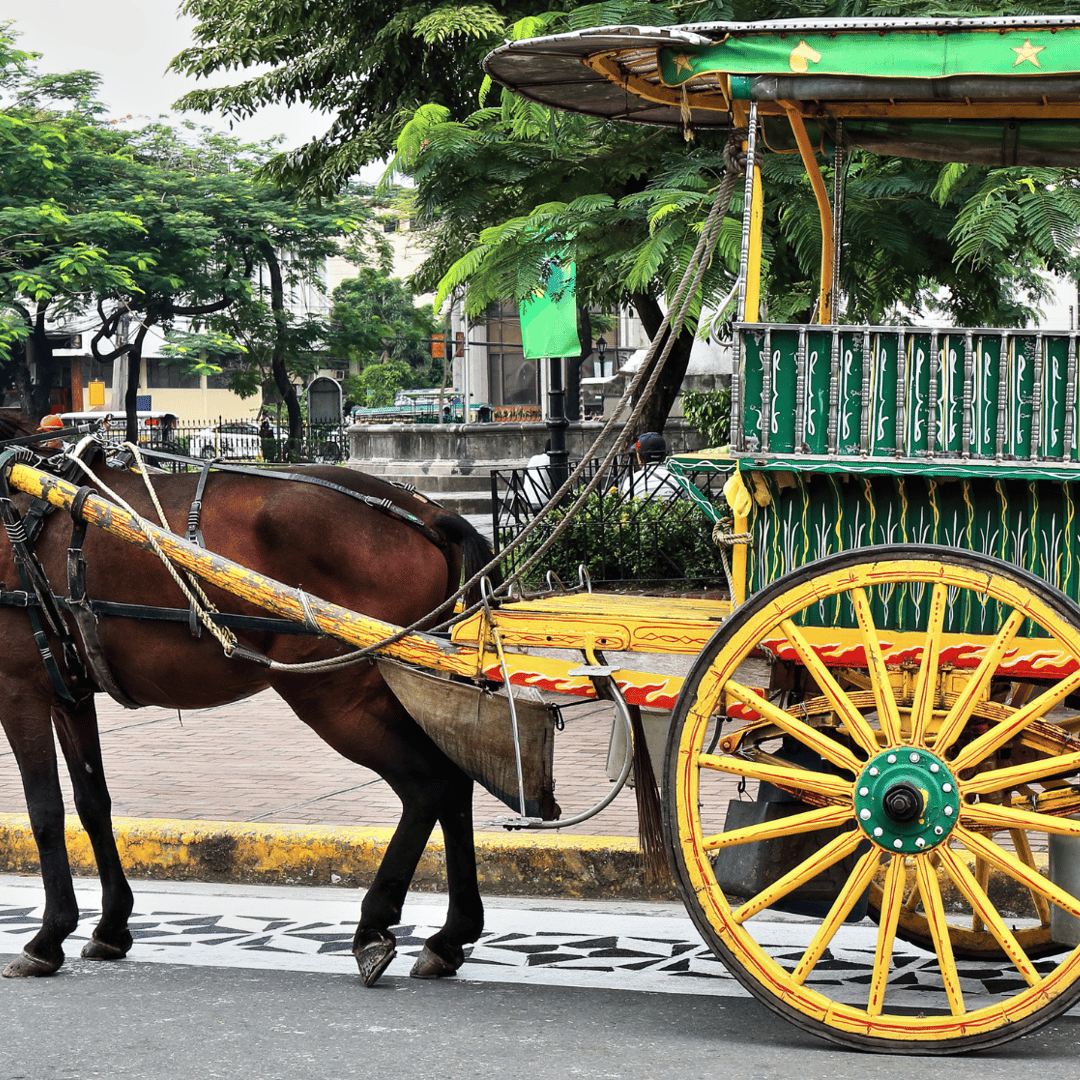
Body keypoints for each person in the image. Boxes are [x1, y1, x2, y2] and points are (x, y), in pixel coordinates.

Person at [619, 431, 683, 500]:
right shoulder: (680, 479)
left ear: (640, 457)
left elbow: (626, 507)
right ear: (665, 456)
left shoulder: (631, 481)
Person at [522, 439, 552, 510]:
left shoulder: (533, 458)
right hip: (544, 501)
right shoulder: (551, 461)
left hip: (528, 500)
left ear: (544, 449)